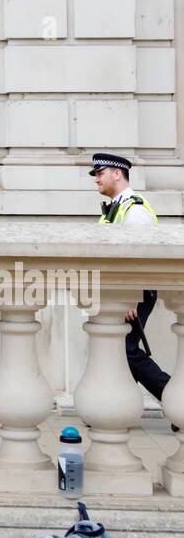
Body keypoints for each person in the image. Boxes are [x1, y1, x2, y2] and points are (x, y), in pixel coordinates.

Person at [89, 151, 176, 428]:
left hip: (133, 293)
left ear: (117, 173)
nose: (96, 180)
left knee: (125, 351)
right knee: (112, 348)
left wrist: (129, 295)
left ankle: (175, 400)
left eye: (100, 173)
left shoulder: (135, 210)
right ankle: (110, 409)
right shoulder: (115, 209)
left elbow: (141, 258)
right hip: (118, 292)